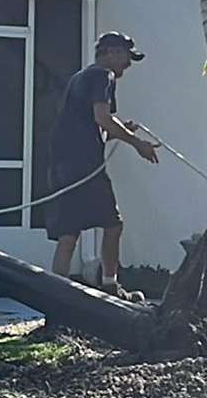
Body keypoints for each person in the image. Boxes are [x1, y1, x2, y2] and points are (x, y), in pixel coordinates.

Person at [46, 31, 158, 297]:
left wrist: (122, 128)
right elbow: (102, 118)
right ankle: (110, 285)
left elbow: (97, 123)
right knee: (113, 224)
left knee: (68, 232)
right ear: (111, 53)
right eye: (126, 57)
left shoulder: (79, 77)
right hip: (84, 164)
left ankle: (53, 296)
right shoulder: (102, 76)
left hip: (62, 163)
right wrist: (138, 143)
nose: (128, 64)